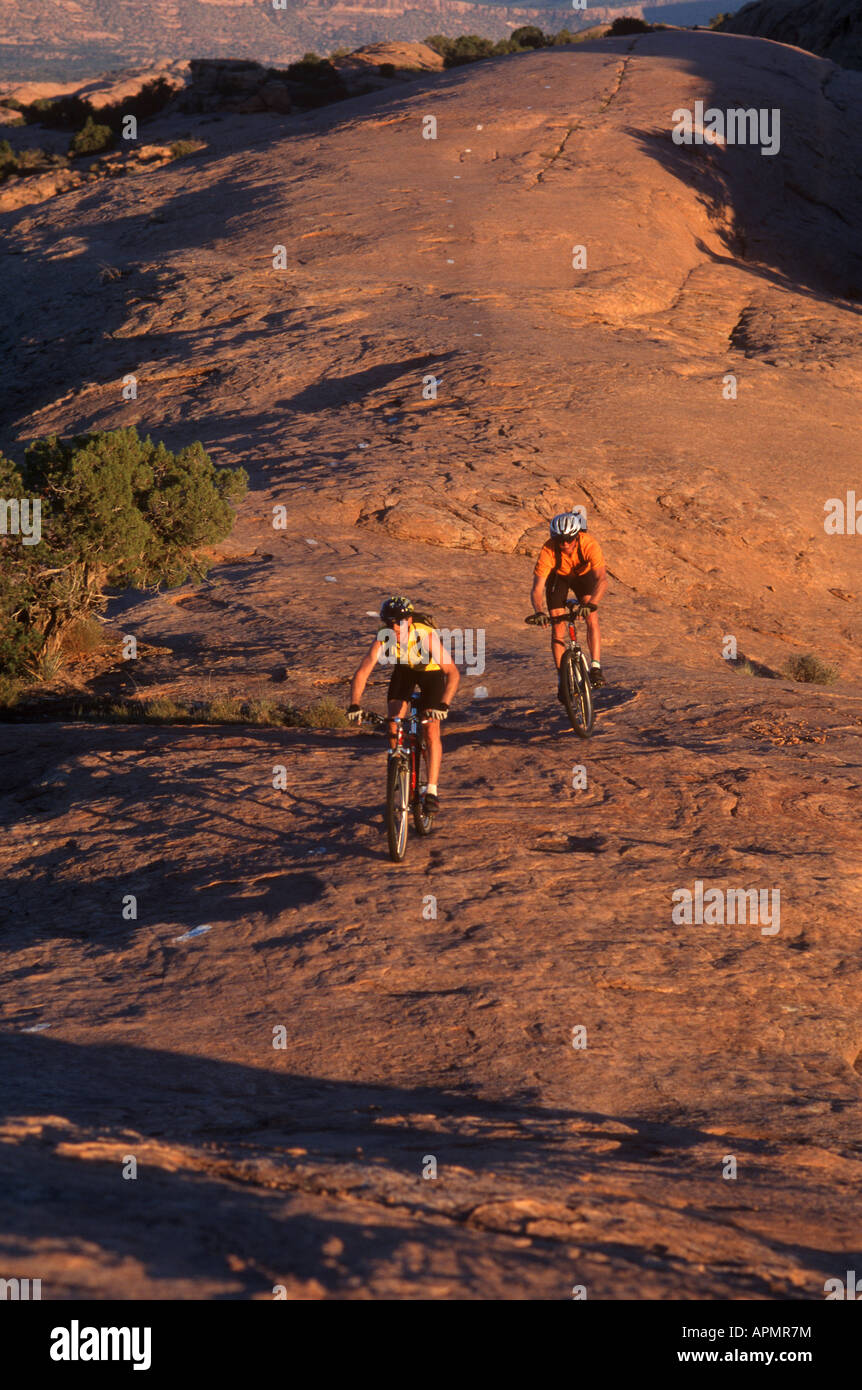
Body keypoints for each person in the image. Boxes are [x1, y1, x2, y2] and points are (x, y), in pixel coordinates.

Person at [347, 596, 459, 813]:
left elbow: (452, 672)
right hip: (404, 670)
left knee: (430, 727)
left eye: (399, 622)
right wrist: (354, 704)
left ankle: (432, 790)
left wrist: (444, 705)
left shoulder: (424, 636)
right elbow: (363, 670)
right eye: (390, 623)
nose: (395, 628)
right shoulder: (384, 635)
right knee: (393, 721)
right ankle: (396, 767)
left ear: (409, 620)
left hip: (430, 673)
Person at [528, 511, 608, 693]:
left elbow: (602, 580)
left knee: (591, 617)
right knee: (557, 627)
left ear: (577, 536)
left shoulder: (589, 544)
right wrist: (539, 611)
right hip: (559, 578)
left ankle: (595, 667)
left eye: (568, 539)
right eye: (559, 540)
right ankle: (562, 679)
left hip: (583, 576)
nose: (564, 544)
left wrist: (590, 605)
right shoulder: (548, 550)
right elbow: (537, 588)